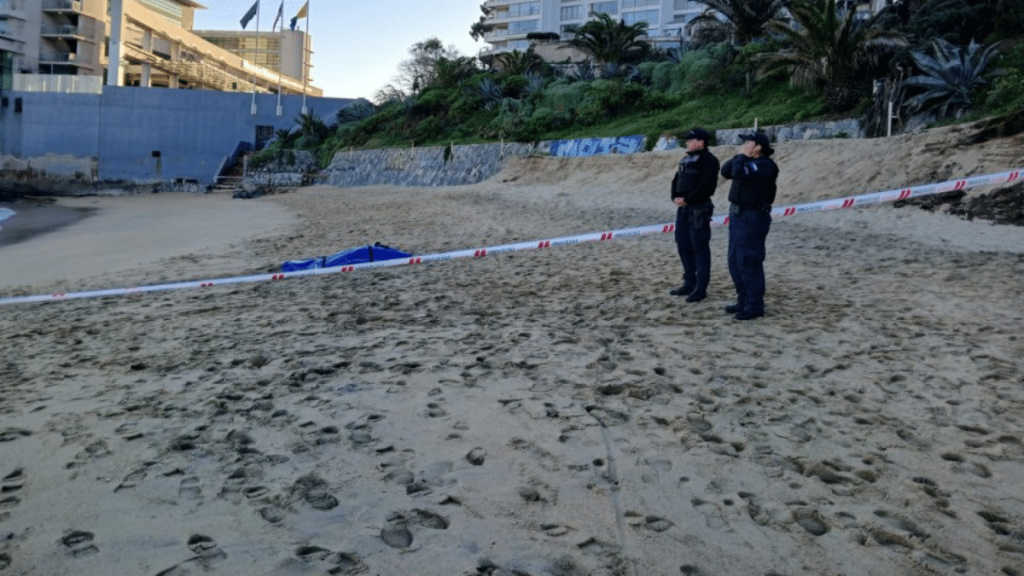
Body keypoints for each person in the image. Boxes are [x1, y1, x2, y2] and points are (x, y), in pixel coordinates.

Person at [720, 132, 779, 320]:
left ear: (758, 147)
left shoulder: (764, 165)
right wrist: (740, 155)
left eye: (748, 142)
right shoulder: (744, 161)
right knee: (734, 261)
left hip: (753, 215)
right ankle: (743, 299)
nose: (744, 145)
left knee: (748, 260)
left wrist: (743, 157)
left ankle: (755, 305)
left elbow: (738, 172)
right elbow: (726, 171)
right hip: (738, 214)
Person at [668, 127, 720, 303]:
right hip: (683, 208)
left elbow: (707, 186)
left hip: (699, 208)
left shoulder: (709, 160)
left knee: (699, 247)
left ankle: (701, 287)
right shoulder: (686, 159)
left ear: (700, 142)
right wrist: (675, 197)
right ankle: (689, 282)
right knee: (683, 245)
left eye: (690, 140)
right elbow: (676, 180)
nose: (687, 143)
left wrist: (688, 199)